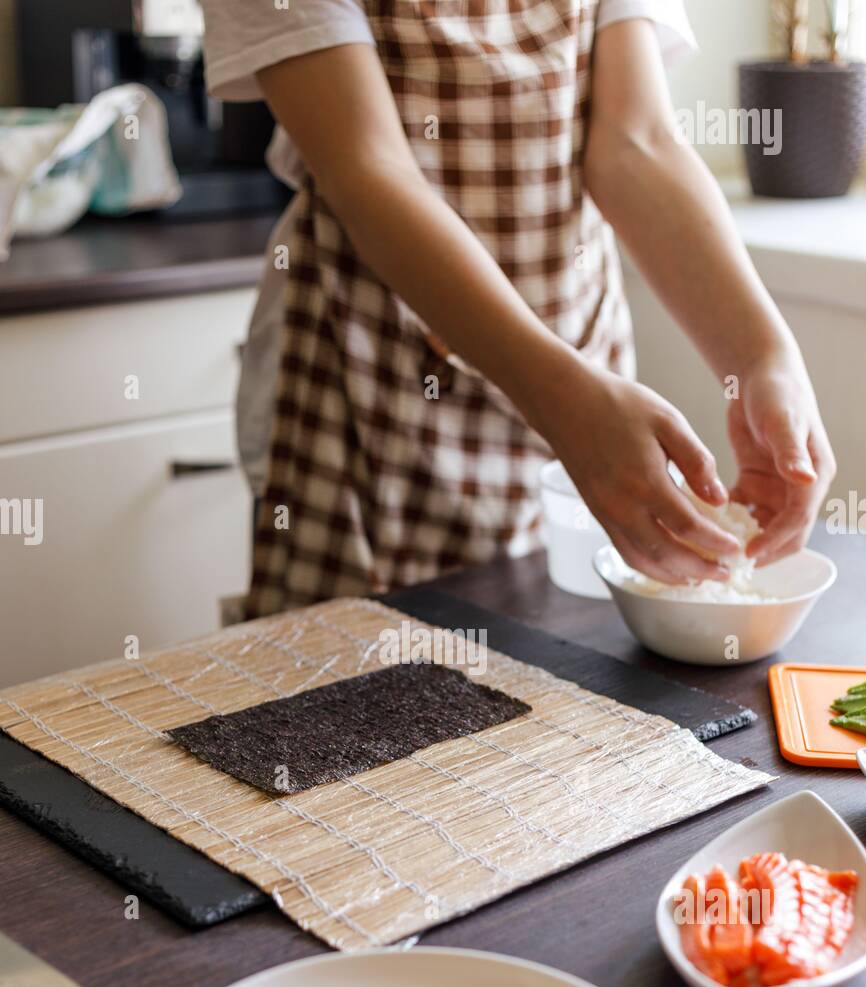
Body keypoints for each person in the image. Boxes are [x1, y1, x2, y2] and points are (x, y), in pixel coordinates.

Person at [199, 1, 836, 618]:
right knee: (348, 700)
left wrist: (762, 356)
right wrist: (567, 404)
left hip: (584, 376)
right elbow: (367, 170)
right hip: (366, 381)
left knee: (557, 684)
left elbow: (635, 145)